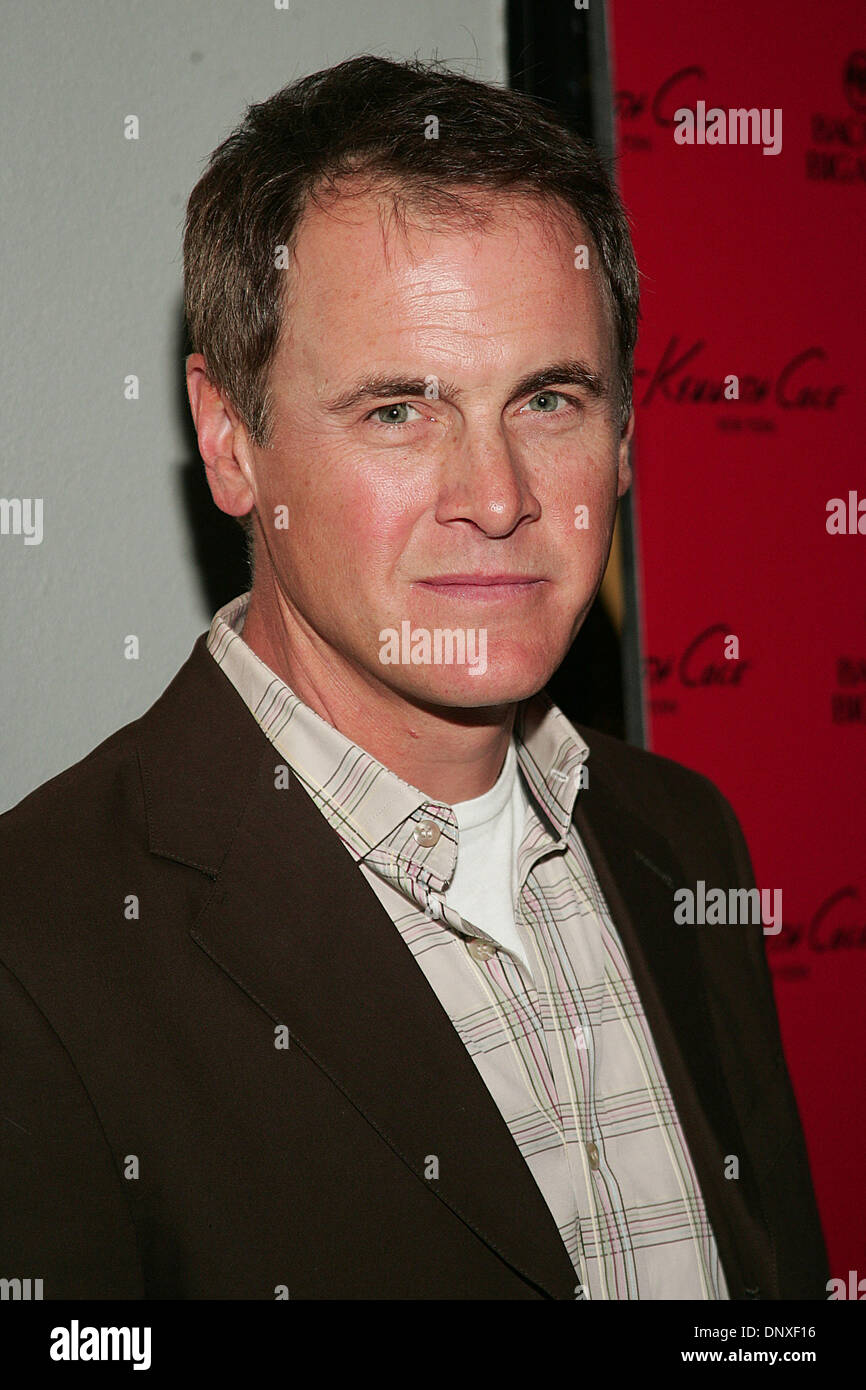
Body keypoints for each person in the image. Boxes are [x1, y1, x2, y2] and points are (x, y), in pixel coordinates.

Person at [0, 55, 827, 1300]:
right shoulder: (38, 948)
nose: (495, 498)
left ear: (618, 438)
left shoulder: (682, 840)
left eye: (547, 397)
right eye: (399, 410)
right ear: (231, 441)